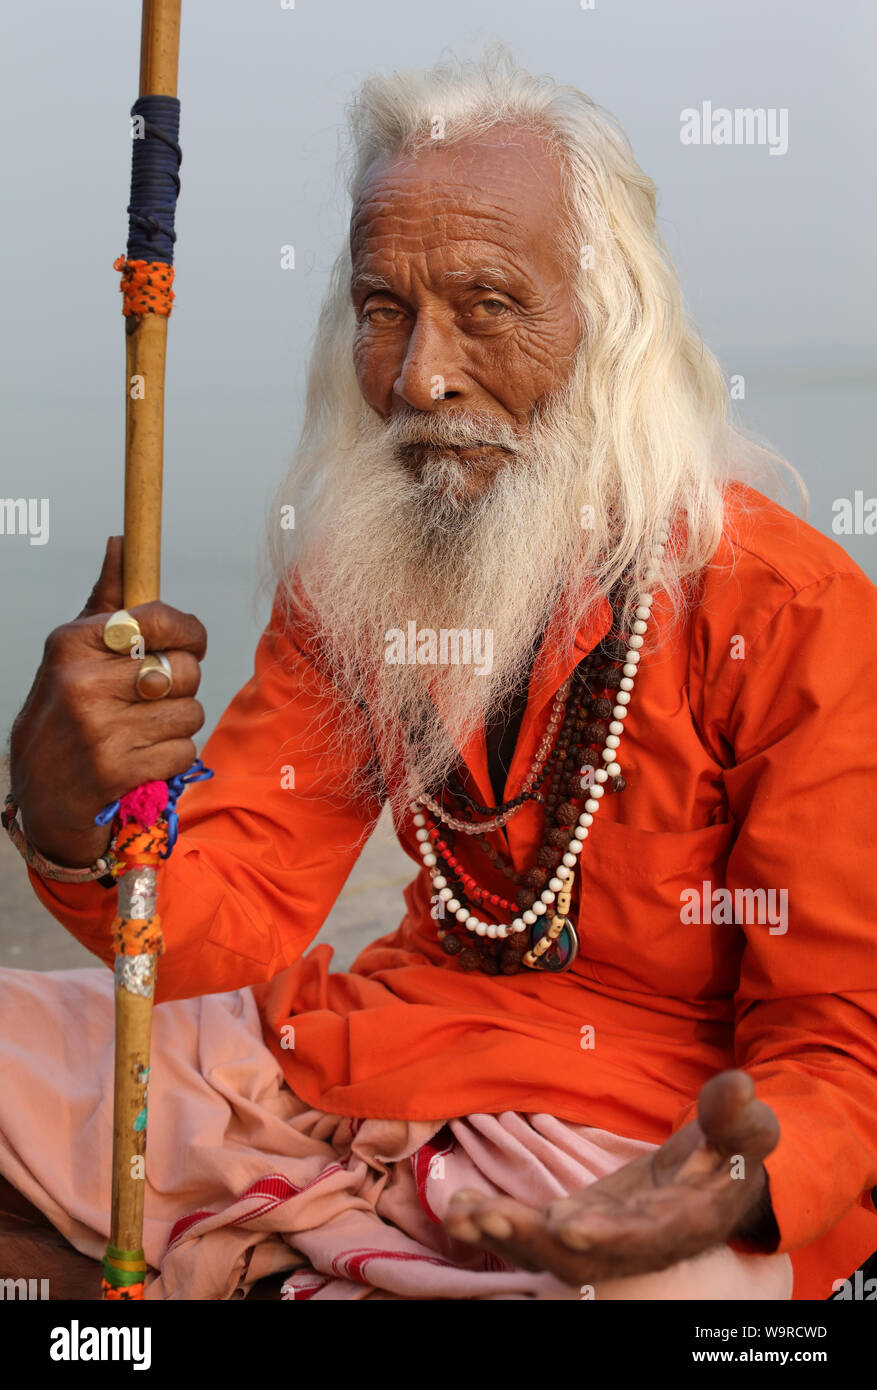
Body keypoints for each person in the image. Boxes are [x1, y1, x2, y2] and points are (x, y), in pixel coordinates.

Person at [2, 45, 876, 1301]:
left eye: (487, 304)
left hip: (651, 1123)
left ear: (610, 327)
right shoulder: (363, 573)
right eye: (382, 309)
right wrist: (67, 811)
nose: (420, 377)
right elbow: (227, 907)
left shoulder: (788, 608)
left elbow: (838, 1043)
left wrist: (738, 1183)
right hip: (366, 1060)